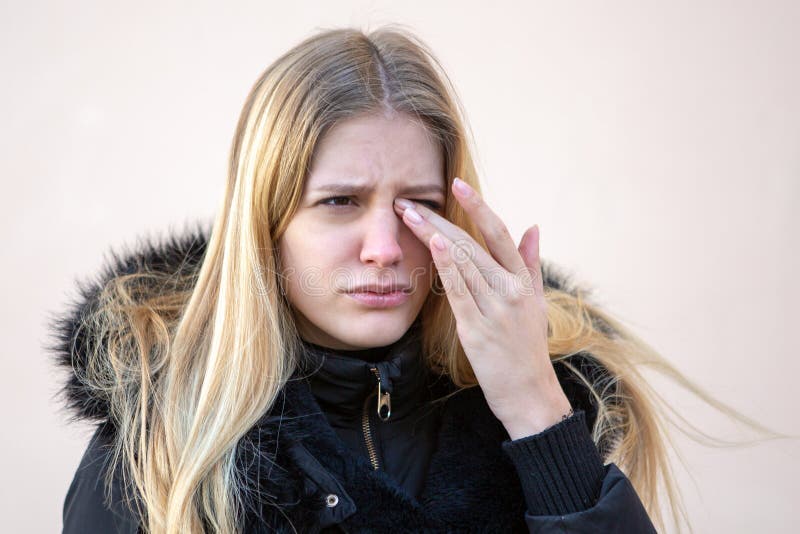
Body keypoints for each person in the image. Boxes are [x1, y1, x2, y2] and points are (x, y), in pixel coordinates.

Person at [49, 25, 771, 534]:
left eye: (418, 206)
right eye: (339, 202)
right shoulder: (162, 438)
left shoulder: (562, 397)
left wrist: (533, 405)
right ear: (265, 223)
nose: (386, 248)